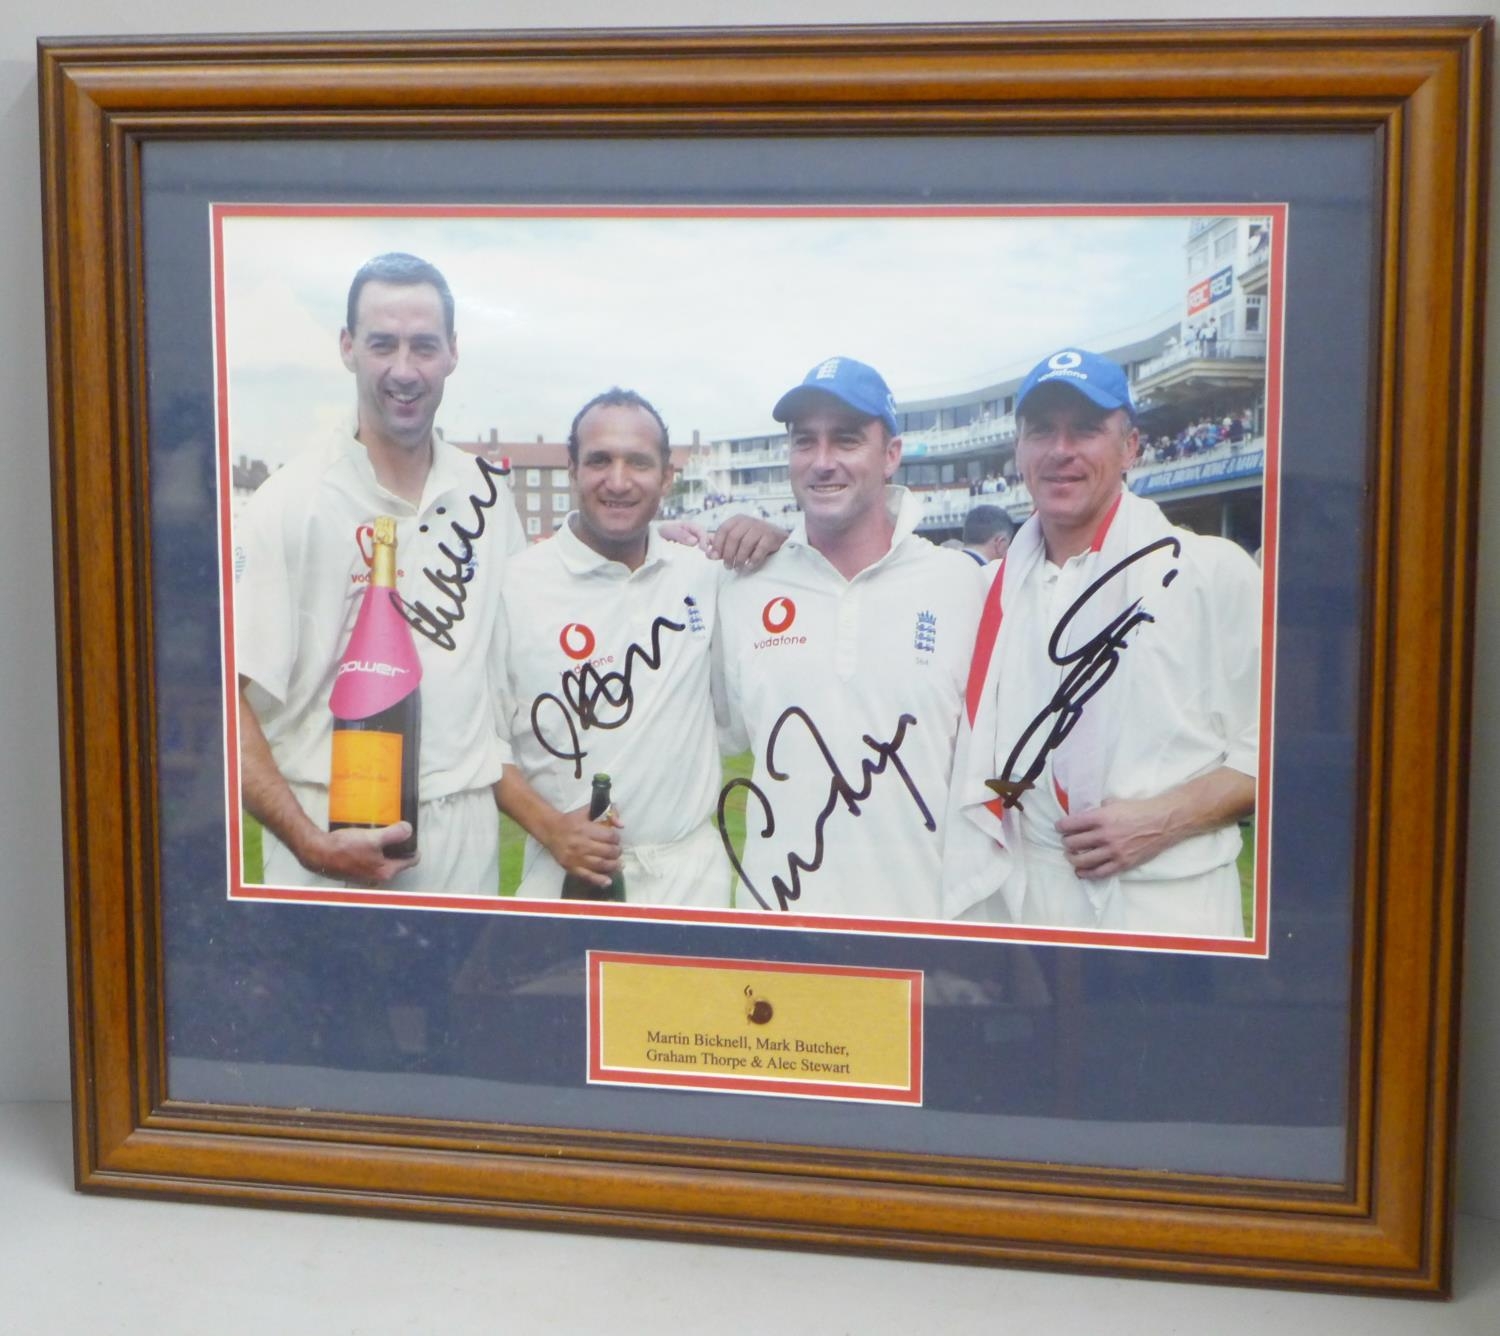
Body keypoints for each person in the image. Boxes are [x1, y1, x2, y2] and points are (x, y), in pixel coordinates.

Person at [944, 347, 1261, 936]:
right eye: (1042, 431)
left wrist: (1164, 819)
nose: (1060, 450)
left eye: (1086, 429)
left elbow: (1274, 753)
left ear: (1130, 446)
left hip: (1168, 903)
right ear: (1019, 450)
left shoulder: (1212, 571)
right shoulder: (988, 591)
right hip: (1029, 907)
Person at [234, 252, 525, 892]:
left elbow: (540, 630)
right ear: (347, 348)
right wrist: (309, 843)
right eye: (382, 344)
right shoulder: (289, 502)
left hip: (463, 832)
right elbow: (227, 702)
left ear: (452, 352)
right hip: (327, 830)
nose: (404, 370)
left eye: (424, 346)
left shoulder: (487, 496)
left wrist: (663, 543)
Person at [715, 356, 986, 919]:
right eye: (804, 441)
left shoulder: (963, 585)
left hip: (922, 935)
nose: (822, 462)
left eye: (846, 439)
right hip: (776, 930)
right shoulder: (741, 587)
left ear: (891, 455)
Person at [498, 388, 785, 906]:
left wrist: (776, 538)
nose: (618, 480)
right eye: (599, 461)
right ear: (572, 469)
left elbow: (805, 584)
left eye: (638, 462)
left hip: (690, 880)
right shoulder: (514, 586)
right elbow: (479, 742)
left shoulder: (703, 572)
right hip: (565, 874)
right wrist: (551, 829)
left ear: (667, 477)